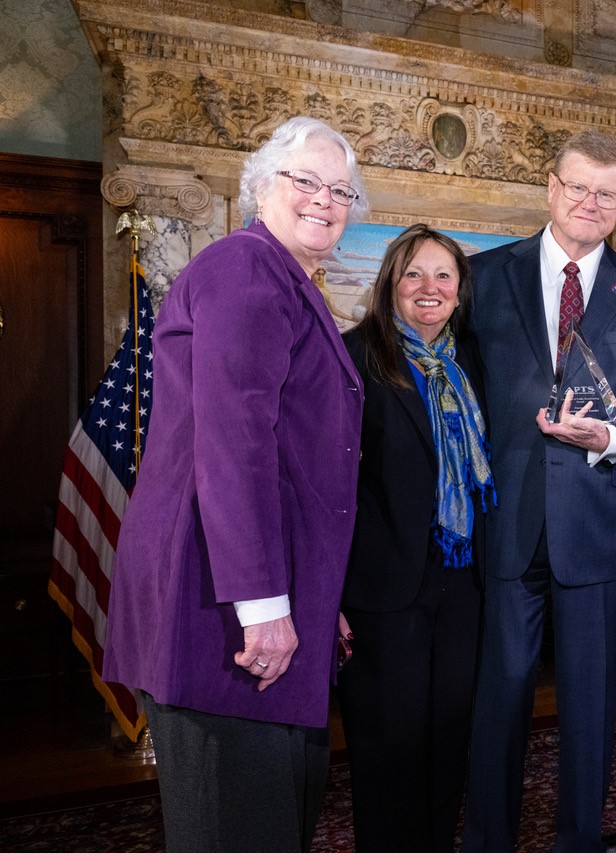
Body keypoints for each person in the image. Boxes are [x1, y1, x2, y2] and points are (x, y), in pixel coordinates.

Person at [101, 116, 367, 852]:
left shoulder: (283, 276)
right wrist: (264, 608)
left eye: (340, 189)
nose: (325, 199)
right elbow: (235, 444)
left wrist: (316, 596)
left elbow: (293, 459)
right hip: (218, 606)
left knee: (272, 820)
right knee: (236, 829)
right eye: (305, 180)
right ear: (260, 186)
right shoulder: (244, 268)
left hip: (255, 598)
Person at [460, 130, 616, 853]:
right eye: (578, 186)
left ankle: (578, 841)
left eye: (607, 194)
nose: (590, 202)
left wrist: (613, 439)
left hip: (596, 525)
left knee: (591, 709)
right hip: (508, 520)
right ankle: (488, 838)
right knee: (499, 700)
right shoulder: (481, 277)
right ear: (551, 187)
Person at [337, 225, 495, 852]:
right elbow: (329, 486)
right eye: (413, 275)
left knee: (448, 737)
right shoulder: (354, 357)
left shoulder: (476, 363)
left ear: (460, 291)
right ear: (390, 286)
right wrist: (331, 594)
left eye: (443, 277)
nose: (429, 289)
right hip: (381, 589)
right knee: (388, 749)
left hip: (463, 583)